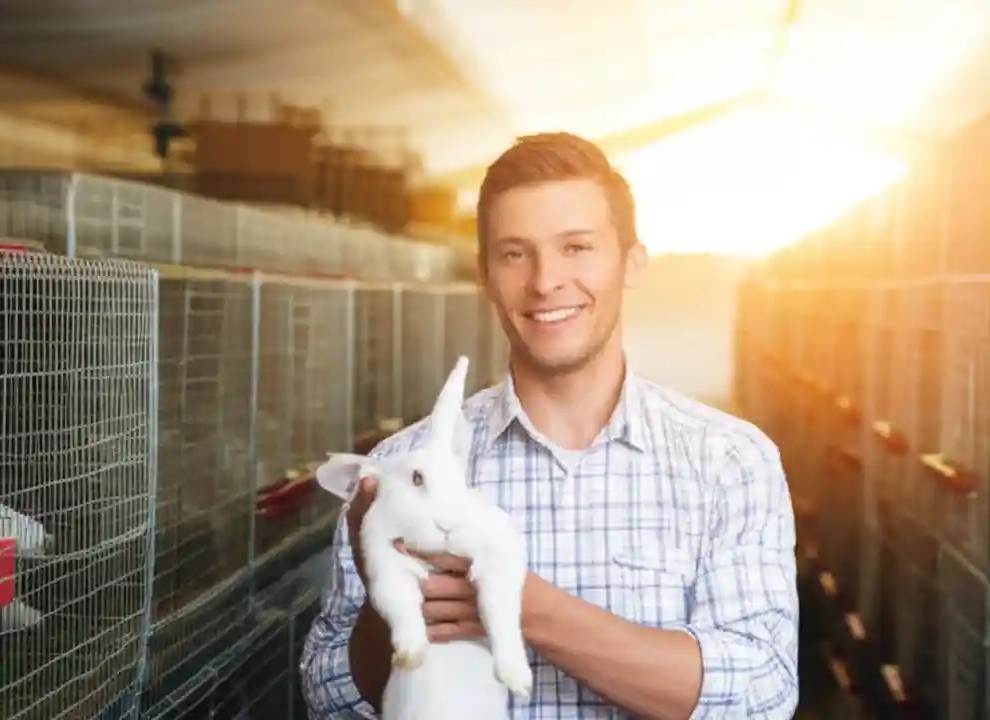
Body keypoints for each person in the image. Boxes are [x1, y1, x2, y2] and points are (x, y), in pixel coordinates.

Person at [299, 131, 799, 719]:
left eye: (577, 247)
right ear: (485, 273)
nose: (544, 281)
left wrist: (522, 605)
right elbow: (331, 698)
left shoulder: (729, 460)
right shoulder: (402, 469)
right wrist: (384, 592)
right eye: (515, 253)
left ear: (631, 263)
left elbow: (759, 694)